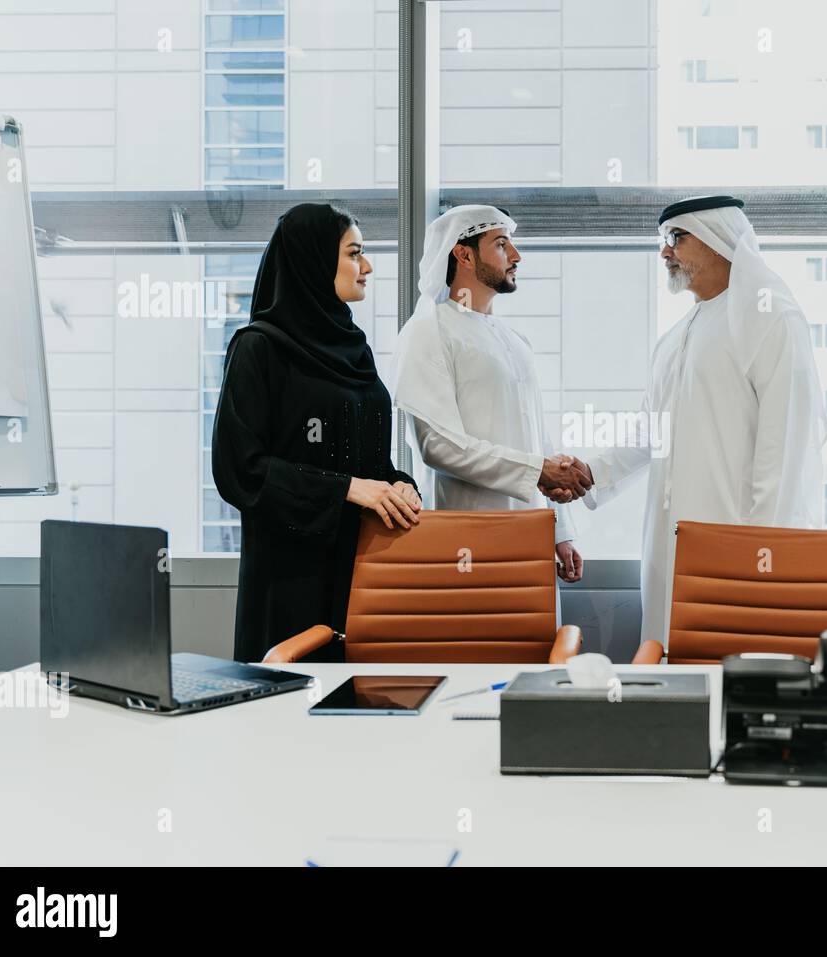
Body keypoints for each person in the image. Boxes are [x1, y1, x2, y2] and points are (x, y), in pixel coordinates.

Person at [550, 195, 827, 652]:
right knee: (675, 673)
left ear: (720, 241)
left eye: (677, 238)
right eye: (664, 240)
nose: (665, 252)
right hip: (670, 546)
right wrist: (589, 473)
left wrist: (758, 556)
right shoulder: (678, 335)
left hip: (740, 549)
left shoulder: (771, 316)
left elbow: (786, 452)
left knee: (738, 675)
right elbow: (650, 432)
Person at [212, 203, 421, 663]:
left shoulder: (355, 350)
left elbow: (368, 465)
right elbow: (240, 470)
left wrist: (400, 486)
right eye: (353, 253)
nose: (367, 267)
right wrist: (347, 490)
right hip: (291, 580)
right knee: (291, 721)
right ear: (313, 260)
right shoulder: (258, 348)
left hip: (365, 575)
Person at [391, 205, 587, 584]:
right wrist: (536, 471)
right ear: (463, 255)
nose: (516, 257)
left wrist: (562, 531)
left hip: (533, 531)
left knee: (535, 641)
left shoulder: (515, 340)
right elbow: (438, 446)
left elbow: (537, 439)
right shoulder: (428, 331)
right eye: (501, 245)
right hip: (469, 538)